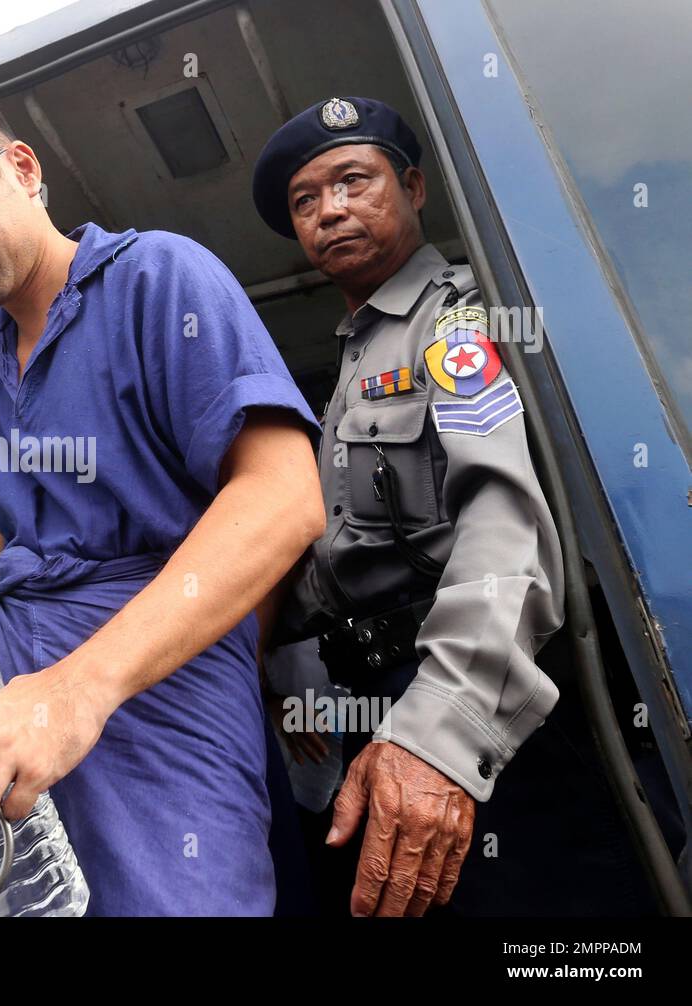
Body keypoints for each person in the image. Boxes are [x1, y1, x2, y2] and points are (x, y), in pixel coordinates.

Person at [0, 94, 324, 915]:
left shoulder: (158, 278)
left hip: (159, 709)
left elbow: (284, 495)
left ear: (21, 168)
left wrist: (77, 690)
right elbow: (11, 537)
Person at [253, 95, 660, 916]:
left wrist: (442, 736)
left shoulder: (458, 320)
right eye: (305, 201)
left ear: (413, 187)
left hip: (472, 708)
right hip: (374, 703)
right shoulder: (348, 374)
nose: (329, 209)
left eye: (353, 181)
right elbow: (331, 569)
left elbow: (505, 527)